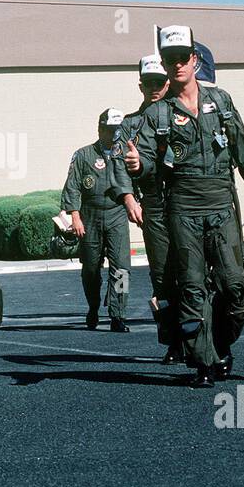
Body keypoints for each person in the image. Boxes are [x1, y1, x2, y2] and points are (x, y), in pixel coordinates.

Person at [126, 27, 244, 387]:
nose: (177, 65)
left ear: (195, 60)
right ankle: (204, 362)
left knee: (234, 286)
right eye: (170, 60)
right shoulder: (158, 115)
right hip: (183, 207)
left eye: (183, 58)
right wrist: (138, 164)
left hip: (222, 204)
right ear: (163, 65)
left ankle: (220, 345)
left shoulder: (221, 101)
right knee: (192, 287)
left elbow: (241, 145)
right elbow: (146, 160)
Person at [62, 108, 143, 332]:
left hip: (116, 215)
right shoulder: (83, 155)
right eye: (110, 129)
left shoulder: (127, 154)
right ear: (100, 129)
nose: (114, 134)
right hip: (90, 216)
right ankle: (93, 306)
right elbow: (73, 186)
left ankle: (118, 314)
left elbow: (139, 182)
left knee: (122, 268)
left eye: (118, 130)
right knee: (90, 269)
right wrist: (75, 217)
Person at [119, 55, 175, 361]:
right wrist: (129, 198)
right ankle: (173, 341)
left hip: (184, 202)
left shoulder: (181, 114)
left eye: (159, 83)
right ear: (141, 86)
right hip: (152, 204)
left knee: (193, 275)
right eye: (148, 83)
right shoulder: (130, 123)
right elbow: (118, 164)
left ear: (167, 83)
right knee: (163, 275)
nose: (154, 88)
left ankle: (199, 338)